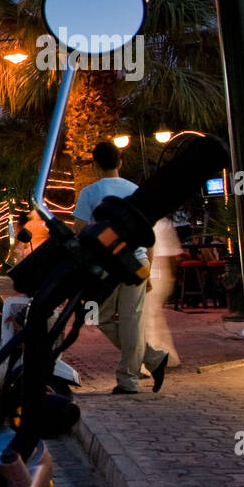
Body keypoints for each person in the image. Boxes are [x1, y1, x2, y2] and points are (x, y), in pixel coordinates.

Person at [73, 141, 168, 395]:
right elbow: (148, 235)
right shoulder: (136, 190)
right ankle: (152, 359)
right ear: (120, 162)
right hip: (137, 262)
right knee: (131, 320)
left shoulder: (90, 193)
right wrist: (149, 268)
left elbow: (80, 232)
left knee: (100, 316)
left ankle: (129, 379)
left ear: (95, 165)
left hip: (108, 265)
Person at [145, 217, 181, 366]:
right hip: (161, 276)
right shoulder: (163, 222)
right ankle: (169, 357)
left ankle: (151, 360)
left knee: (147, 321)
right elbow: (173, 256)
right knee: (154, 319)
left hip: (152, 276)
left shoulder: (153, 223)